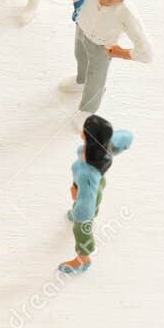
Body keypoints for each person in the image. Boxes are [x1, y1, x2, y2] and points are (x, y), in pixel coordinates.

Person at [62, 0, 154, 125]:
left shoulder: (127, 14)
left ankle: (88, 110)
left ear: (121, 0)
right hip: (81, 29)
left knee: (96, 76)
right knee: (80, 55)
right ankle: (81, 81)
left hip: (102, 46)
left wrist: (123, 53)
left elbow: (147, 53)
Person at [61, 115, 135, 275]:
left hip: (86, 195)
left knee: (82, 228)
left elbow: (86, 200)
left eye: (85, 129)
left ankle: (83, 259)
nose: (81, 131)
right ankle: (82, 213)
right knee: (93, 203)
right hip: (94, 186)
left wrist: (81, 216)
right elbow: (127, 137)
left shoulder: (88, 173)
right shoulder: (104, 145)